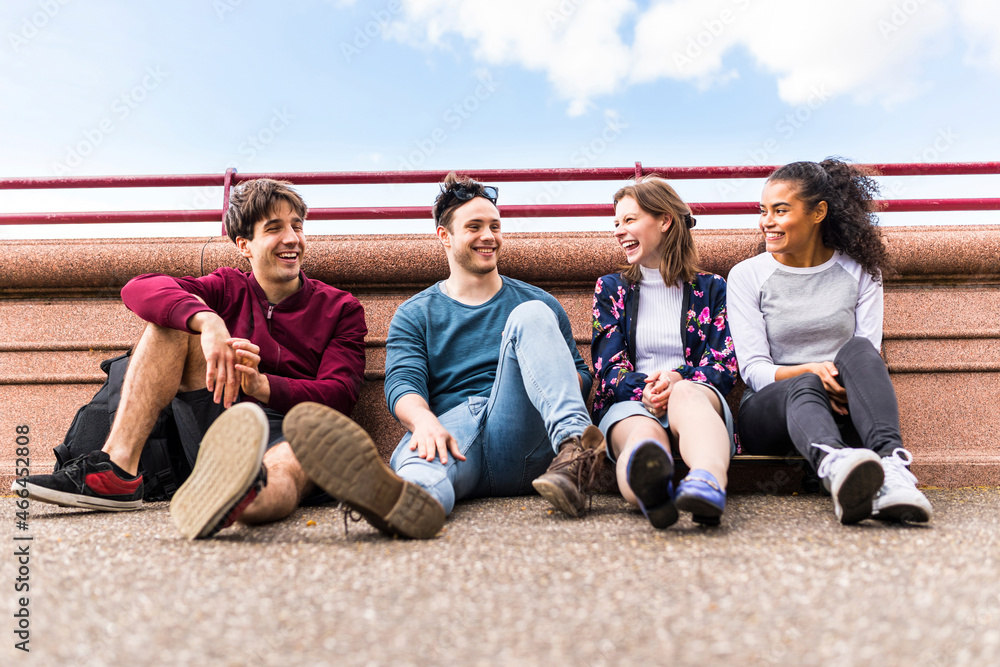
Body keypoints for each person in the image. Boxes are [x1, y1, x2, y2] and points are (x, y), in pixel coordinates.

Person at [16, 179, 368, 539]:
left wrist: (263, 385)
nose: (292, 238)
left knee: (287, 463)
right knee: (170, 324)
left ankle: (241, 496)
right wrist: (208, 320)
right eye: (275, 228)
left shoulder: (340, 308)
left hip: (289, 431)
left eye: (297, 226)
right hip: (215, 421)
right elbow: (139, 288)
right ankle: (118, 472)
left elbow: (339, 394)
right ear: (244, 245)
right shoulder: (226, 287)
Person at [281, 172, 602, 539]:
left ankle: (577, 455)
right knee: (424, 462)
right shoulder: (415, 313)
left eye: (495, 226)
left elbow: (580, 376)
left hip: (525, 440)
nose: (488, 236)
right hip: (453, 435)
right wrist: (423, 421)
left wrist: (539, 372)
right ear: (444, 236)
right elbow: (402, 383)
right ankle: (407, 503)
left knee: (529, 315)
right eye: (475, 226)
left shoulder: (538, 303)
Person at [727, 158, 932, 525]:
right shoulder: (747, 275)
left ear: (818, 212)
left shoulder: (859, 270)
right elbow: (754, 370)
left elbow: (864, 351)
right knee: (803, 383)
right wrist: (811, 372)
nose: (766, 222)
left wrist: (839, 385)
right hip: (769, 414)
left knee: (860, 351)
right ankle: (837, 467)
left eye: (780, 210)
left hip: (845, 405)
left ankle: (892, 471)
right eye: (763, 211)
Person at [591, 177, 737, 528]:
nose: (618, 231)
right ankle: (651, 494)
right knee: (643, 438)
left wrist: (676, 379)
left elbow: (725, 363)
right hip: (632, 402)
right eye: (615, 223)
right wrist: (647, 389)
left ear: (664, 220)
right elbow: (606, 367)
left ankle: (706, 483)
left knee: (686, 393)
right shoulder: (610, 288)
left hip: (695, 397)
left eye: (628, 220)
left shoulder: (712, 287)